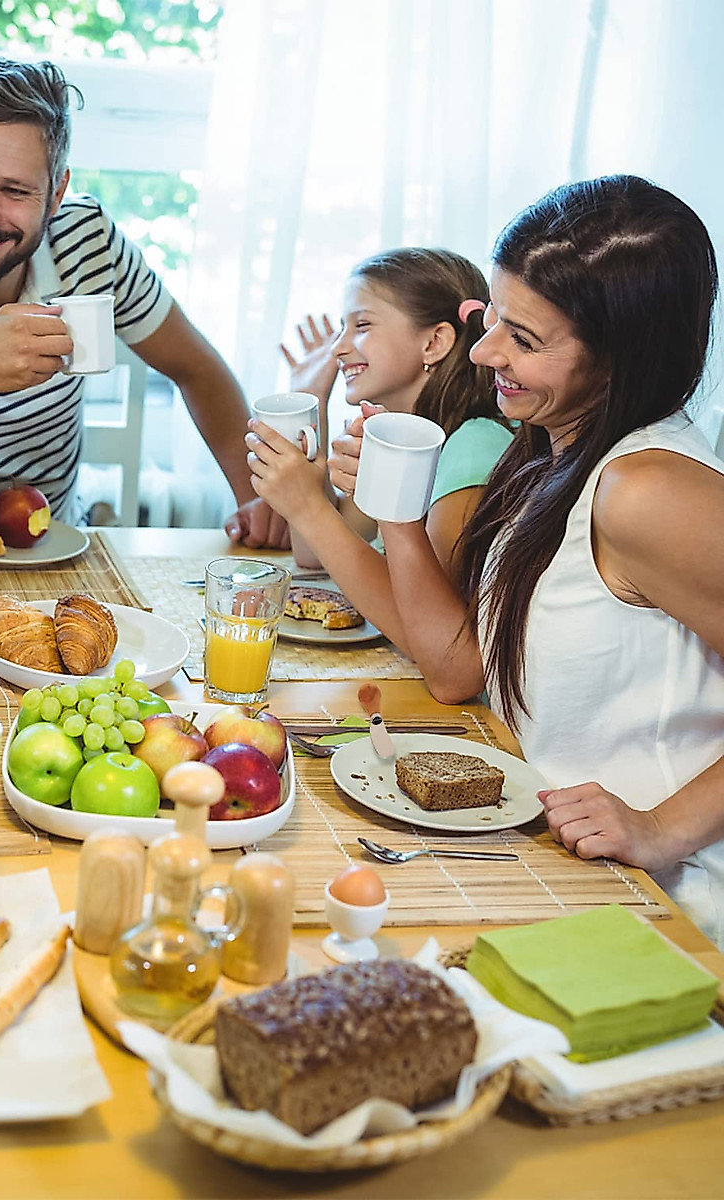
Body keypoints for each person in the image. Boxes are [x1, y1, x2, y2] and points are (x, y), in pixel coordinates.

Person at [334, 177, 724, 948]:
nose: (483, 354)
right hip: (546, 856)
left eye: (525, 339)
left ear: (620, 360)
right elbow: (462, 666)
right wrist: (398, 511)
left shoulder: (646, 489)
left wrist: (659, 828)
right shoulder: (551, 450)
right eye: (493, 320)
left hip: (657, 907)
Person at [0, 55, 287, 550]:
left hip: (58, 549)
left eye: (15, 190)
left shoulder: (87, 239)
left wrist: (254, 499)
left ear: (57, 191)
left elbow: (197, 368)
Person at [247, 249, 512, 650]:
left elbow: (434, 634)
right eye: (341, 329)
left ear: (435, 341)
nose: (338, 349)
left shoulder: (474, 447)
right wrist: (311, 401)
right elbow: (316, 555)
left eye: (362, 325)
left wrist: (307, 505)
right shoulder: (397, 439)